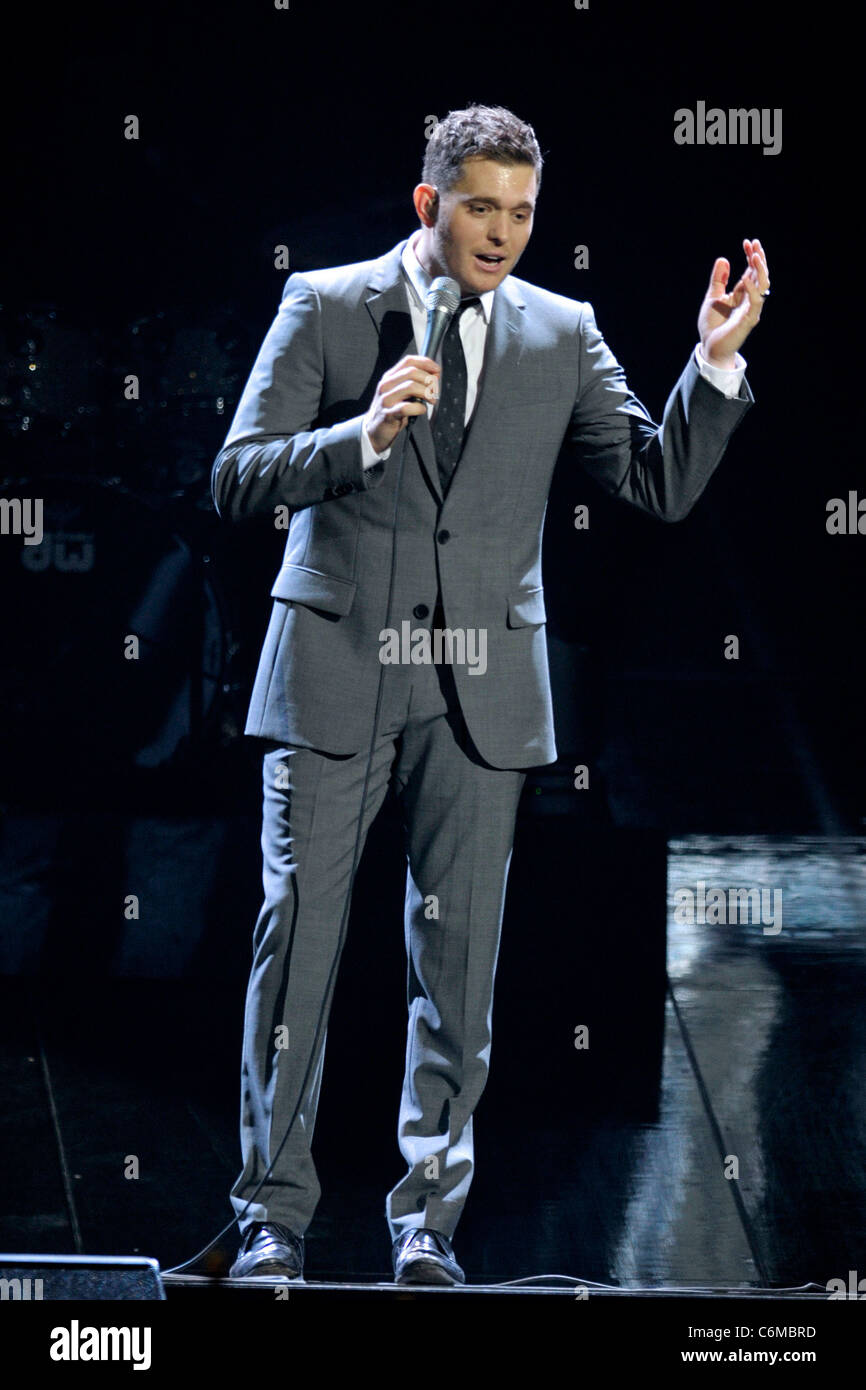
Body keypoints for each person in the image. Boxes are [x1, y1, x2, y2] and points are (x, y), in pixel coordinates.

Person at [211, 104, 769, 1287]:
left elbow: (654, 480)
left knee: (458, 968)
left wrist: (710, 364)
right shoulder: (325, 302)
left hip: (479, 689)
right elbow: (235, 475)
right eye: (479, 207)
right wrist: (355, 439)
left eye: (520, 212)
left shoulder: (560, 332)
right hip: (332, 671)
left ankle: (425, 1227)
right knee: (296, 949)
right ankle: (272, 1222)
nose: (501, 232)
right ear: (428, 205)